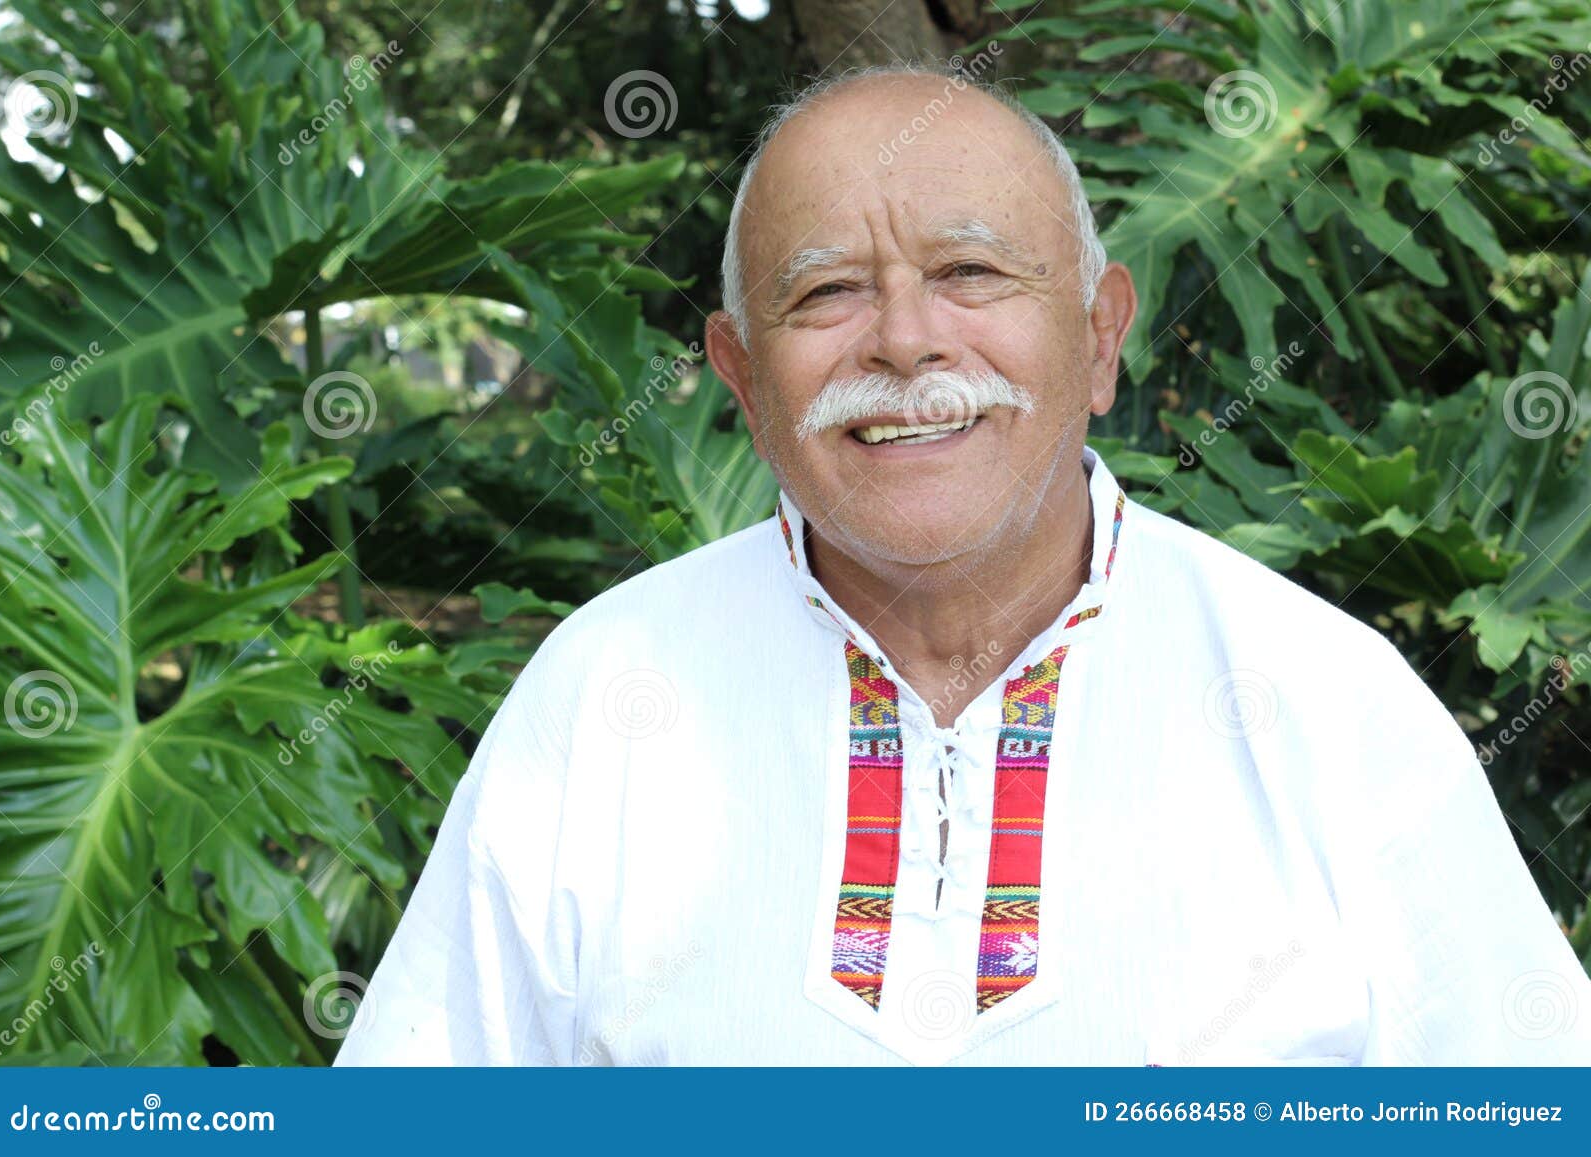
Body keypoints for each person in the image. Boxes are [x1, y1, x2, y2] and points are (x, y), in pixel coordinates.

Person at [335, 64, 1591, 1066]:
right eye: (824, 292)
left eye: (971, 271)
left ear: (1101, 335)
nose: (904, 338)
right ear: (740, 377)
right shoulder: (602, 692)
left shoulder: (1324, 699)